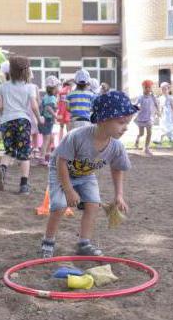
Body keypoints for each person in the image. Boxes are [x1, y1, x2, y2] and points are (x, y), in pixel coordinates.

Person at [41, 91, 137, 258]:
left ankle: (84, 243)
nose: (126, 127)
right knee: (60, 206)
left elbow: (117, 168)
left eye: (127, 122)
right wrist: (69, 190)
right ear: (102, 119)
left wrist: (119, 195)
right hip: (61, 172)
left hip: (86, 175)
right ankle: (48, 242)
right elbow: (61, 162)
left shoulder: (117, 147)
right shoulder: (77, 136)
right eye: (121, 122)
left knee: (93, 205)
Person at [0, 56, 44, 194]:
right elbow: (34, 106)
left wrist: (5, 114)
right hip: (23, 121)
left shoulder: (3, 87)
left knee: (9, 150)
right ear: (26, 72)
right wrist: (39, 119)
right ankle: (23, 185)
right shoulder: (30, 87)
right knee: (24, 154)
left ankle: (2, 168)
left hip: (6, 121)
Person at [38, 76, 59, 166]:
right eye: (57, 87)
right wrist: (55, 116)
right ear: (53, 88)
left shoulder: (46, 96)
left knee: (49, 138)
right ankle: (42, 158)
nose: (58, 88)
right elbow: (48, 108)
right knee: (46, 140)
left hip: (46, 121)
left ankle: (47, 156)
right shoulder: (51, 98)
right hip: (47, 121)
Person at [134, 80, 159, 156]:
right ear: (143, 88)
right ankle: (138, 138)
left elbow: (156, 104)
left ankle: (146, 148)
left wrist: (158, 111)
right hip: (141, 118)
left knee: (149, 132)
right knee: (141, 133)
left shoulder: (153, 97)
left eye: (149, 87)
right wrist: (133, 108)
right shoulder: (140, 97)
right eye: (146, 88)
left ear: (151, 88)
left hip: (149, 118)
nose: (148, 89)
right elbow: (135, 104)